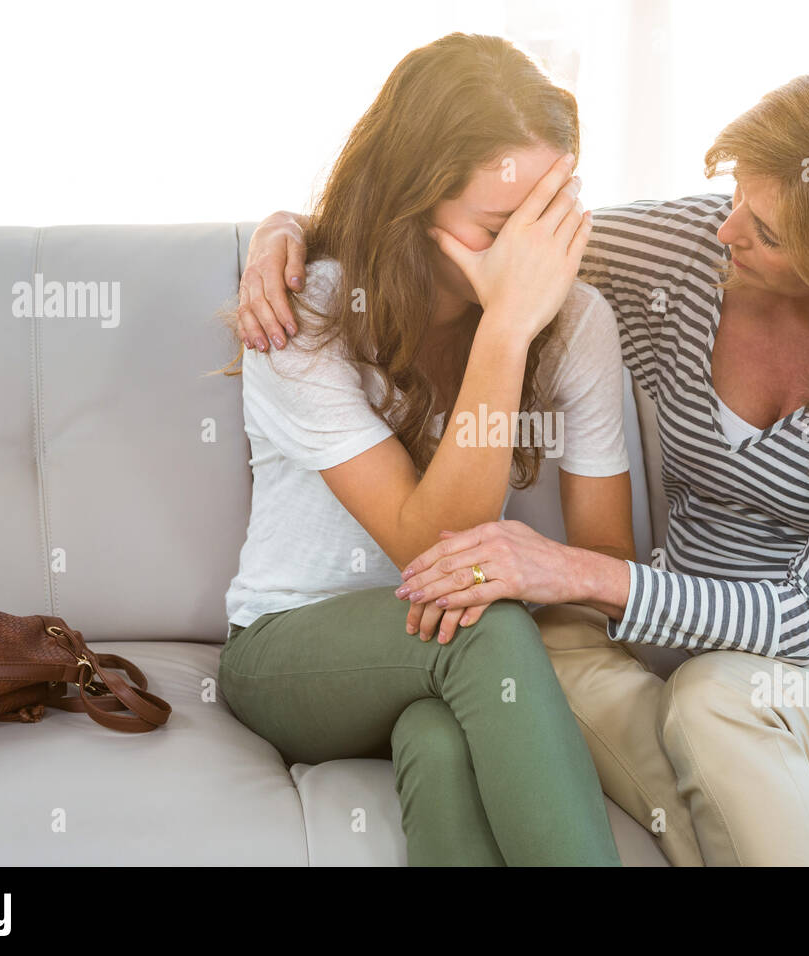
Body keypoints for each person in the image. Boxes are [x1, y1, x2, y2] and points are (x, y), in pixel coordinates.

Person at [237, 51, 809, 867]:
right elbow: (453, 236)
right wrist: (283, 231)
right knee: (553, 650)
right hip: (684, 616)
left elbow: (803, 617)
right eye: (736, 199)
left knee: (717, 703)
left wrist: (573, 573)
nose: (728, 230)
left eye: (767, 231)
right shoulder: (683, 253)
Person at [220, 32, 634, 866]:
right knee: (485, 624)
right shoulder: (306, 314)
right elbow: (438, 554)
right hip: (290, 650)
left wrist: (525, 316)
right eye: (496, 225)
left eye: (545, 218)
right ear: (413, 199)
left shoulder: (579, 317)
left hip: (440, 669)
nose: (528, 254)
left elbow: (602, 561)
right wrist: (508, 330)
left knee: (443, 744)